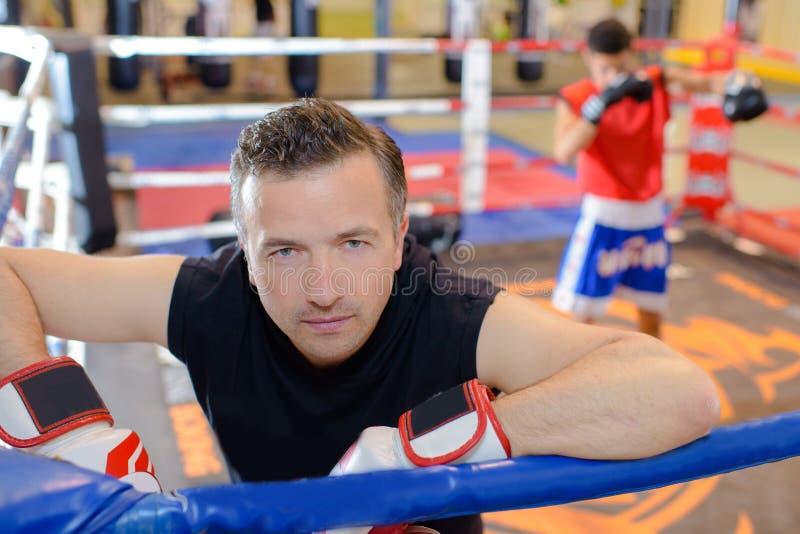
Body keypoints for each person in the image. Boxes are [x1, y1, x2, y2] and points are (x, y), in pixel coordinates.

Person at [0, 98, 719, 533]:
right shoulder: (210, 298)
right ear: (244, 249)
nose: (323, 290)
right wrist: (64, 432)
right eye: (284, 250)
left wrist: (412, 452)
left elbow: (679, 393)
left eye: (353, 243)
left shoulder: (452, 316)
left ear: (401, 236)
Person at [551, 18, 767, 339]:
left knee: (651, 311)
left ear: (631, 54)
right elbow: (564, 152)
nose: (612, 75)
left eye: (619, 67)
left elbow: (709, 83)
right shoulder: (578, 96)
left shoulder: (656, 81)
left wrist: (741, 81)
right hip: (604, 217)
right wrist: (602, 103)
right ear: (588, 57)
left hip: (649, 216)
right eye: (605, 68)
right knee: (583, 317)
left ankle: (656, 371)